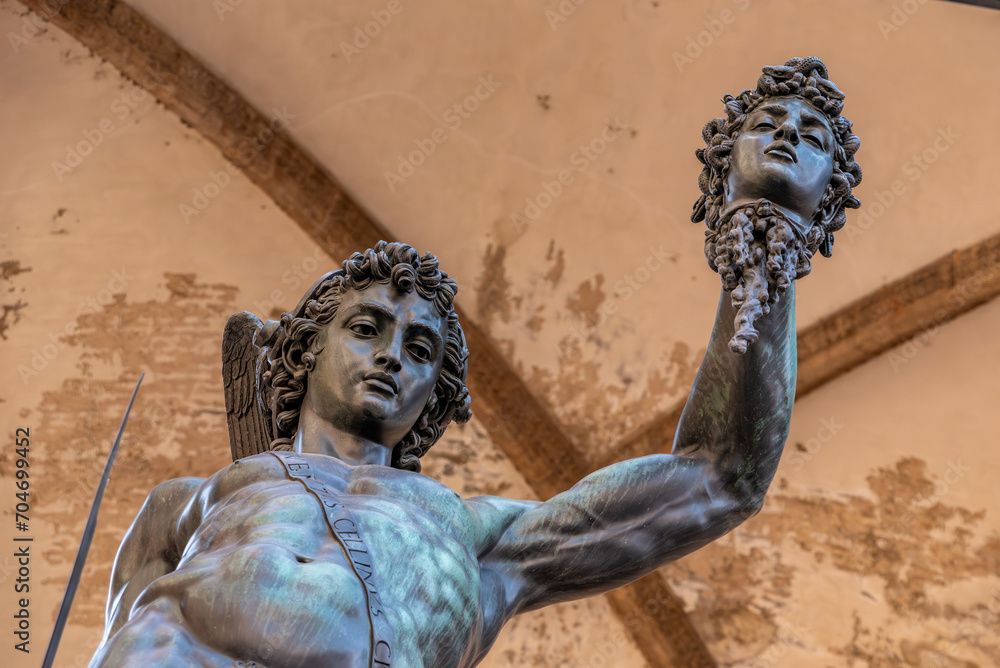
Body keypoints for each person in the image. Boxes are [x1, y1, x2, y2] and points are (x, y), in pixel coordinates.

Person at [90, 57, 860, 668]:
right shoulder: (188, 501)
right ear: (303, 349)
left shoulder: (475, 535)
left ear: (437, 395)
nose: (393, 353)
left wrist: (766, 243)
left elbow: (718, 477)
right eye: (368, 327)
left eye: (421, 349)